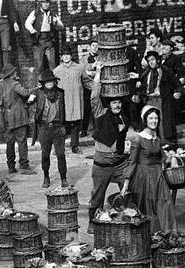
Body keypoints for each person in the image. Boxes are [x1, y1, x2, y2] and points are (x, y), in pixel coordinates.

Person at [120, 105, 175, 231]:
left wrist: (173, 159)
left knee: (165, 203)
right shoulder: (138, 139)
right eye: (151, 118)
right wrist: (125, 185)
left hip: (158, 176)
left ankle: (165, 234)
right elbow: (132, 162)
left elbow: (162, 157)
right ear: (145, 120)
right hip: (143, 177)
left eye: (156, 118)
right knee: (147, 209)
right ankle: (149, 237)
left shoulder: (157, 138)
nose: (154, 121)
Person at [89, 96, 129, 224]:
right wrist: (98, 76)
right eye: (114, 103)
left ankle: (127, 219)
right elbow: (94, 98)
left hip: (120, 164)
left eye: (119, 102)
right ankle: (93, 223)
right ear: (109, 105)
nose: (117, 105)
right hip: (102, 165)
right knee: (97, 196)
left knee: (128, 190)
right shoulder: (101, 114)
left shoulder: (123, 117)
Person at [0, 67, 34, 176]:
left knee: (9, 143)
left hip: (5, 117)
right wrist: (35, 88)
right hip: (18, 117)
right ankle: (24, 166)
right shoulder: (14, 84)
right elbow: (25, 93)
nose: (16, 73)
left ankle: (11, 166)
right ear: (11, 74)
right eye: (14, 72)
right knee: (21, 141)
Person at [34, 67, 68, 188]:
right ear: (43, 84)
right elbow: (30, 104)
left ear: (54, 82)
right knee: (45, 155)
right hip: (44, 128)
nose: (49, 84)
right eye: (46, 82)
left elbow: (65, 110)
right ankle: (46, 177)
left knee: (61, 154)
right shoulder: (39, 93)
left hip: (58, 127)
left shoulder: (61, 93)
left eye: (51, 81)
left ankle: (63, 178)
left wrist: (64, 126)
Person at [55, 44, 90, 153]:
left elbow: (87, 82)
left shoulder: (79, 68)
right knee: (62, 125)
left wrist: (97, 87)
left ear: (71, 56)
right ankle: (59, 148)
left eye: (68, 55)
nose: (66, 57)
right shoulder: (56, 71)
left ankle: (75, 146)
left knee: (76, 125)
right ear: (61, 57)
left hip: (76, 101)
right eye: (64, 55)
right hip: (63, 103)